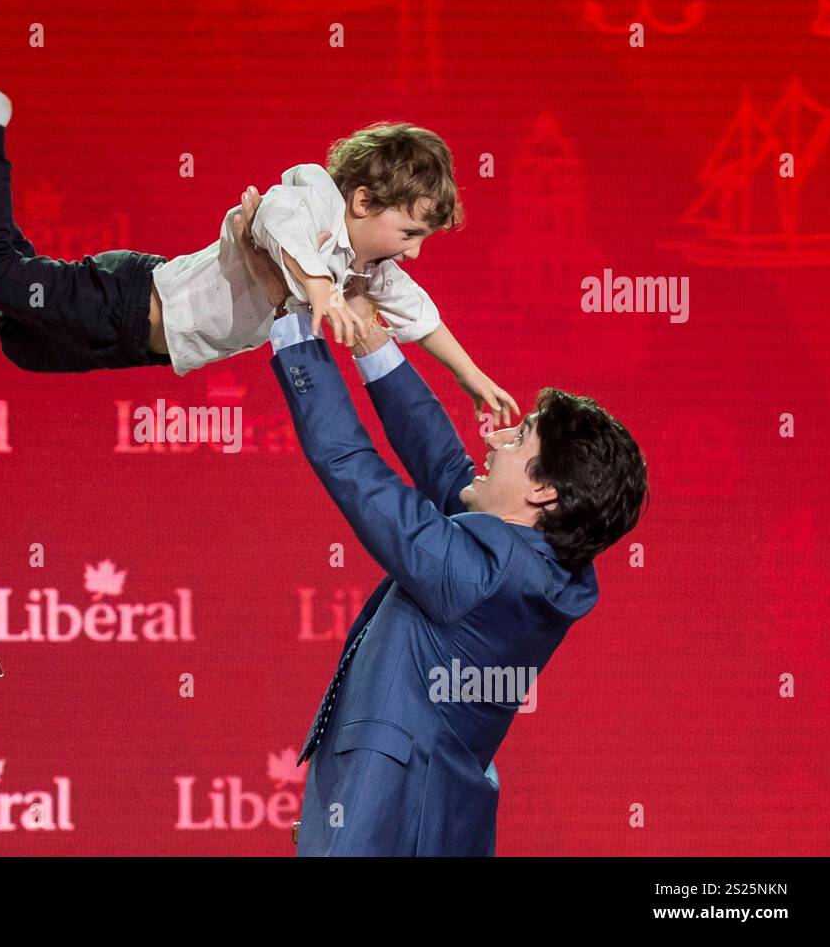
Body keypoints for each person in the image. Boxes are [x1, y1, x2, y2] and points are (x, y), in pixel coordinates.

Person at [226, 190, 650, 856]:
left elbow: (352, 468)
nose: (497, 441)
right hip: (417, 812)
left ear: (545, 491)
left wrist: (292, 322)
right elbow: (449, 470)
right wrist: (373, 347)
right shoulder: (533, 563)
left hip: (386, 814)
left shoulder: (482, 574)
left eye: (520, 442)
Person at [0, 47, 517, 423]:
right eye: (409, 232)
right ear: (363, 200)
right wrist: (319, 291)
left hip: (145, 346)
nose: (412, 251)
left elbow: (419, 315)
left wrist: (471, 377)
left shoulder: (362, 267)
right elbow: (273, 219)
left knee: (21, 344)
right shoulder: (315, 202)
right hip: (129, 298)